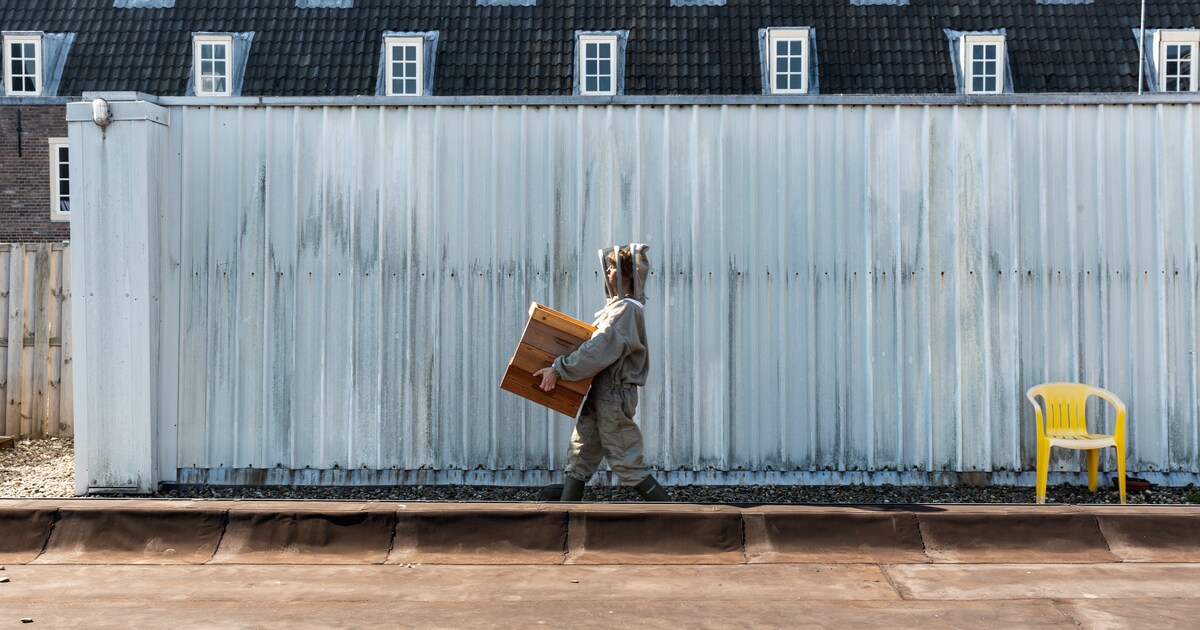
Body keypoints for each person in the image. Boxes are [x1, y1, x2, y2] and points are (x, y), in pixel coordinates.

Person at [532, 243, 670, 502]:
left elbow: (598, 348)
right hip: (604, 393)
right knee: (580, 452)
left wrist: (558, 369)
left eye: (614, 266)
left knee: (624, 456)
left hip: (614, 396)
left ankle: (678, 519)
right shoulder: (618, 308)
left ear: (628, 275)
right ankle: (566, 517)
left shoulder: (626, 310)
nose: (607, 270)